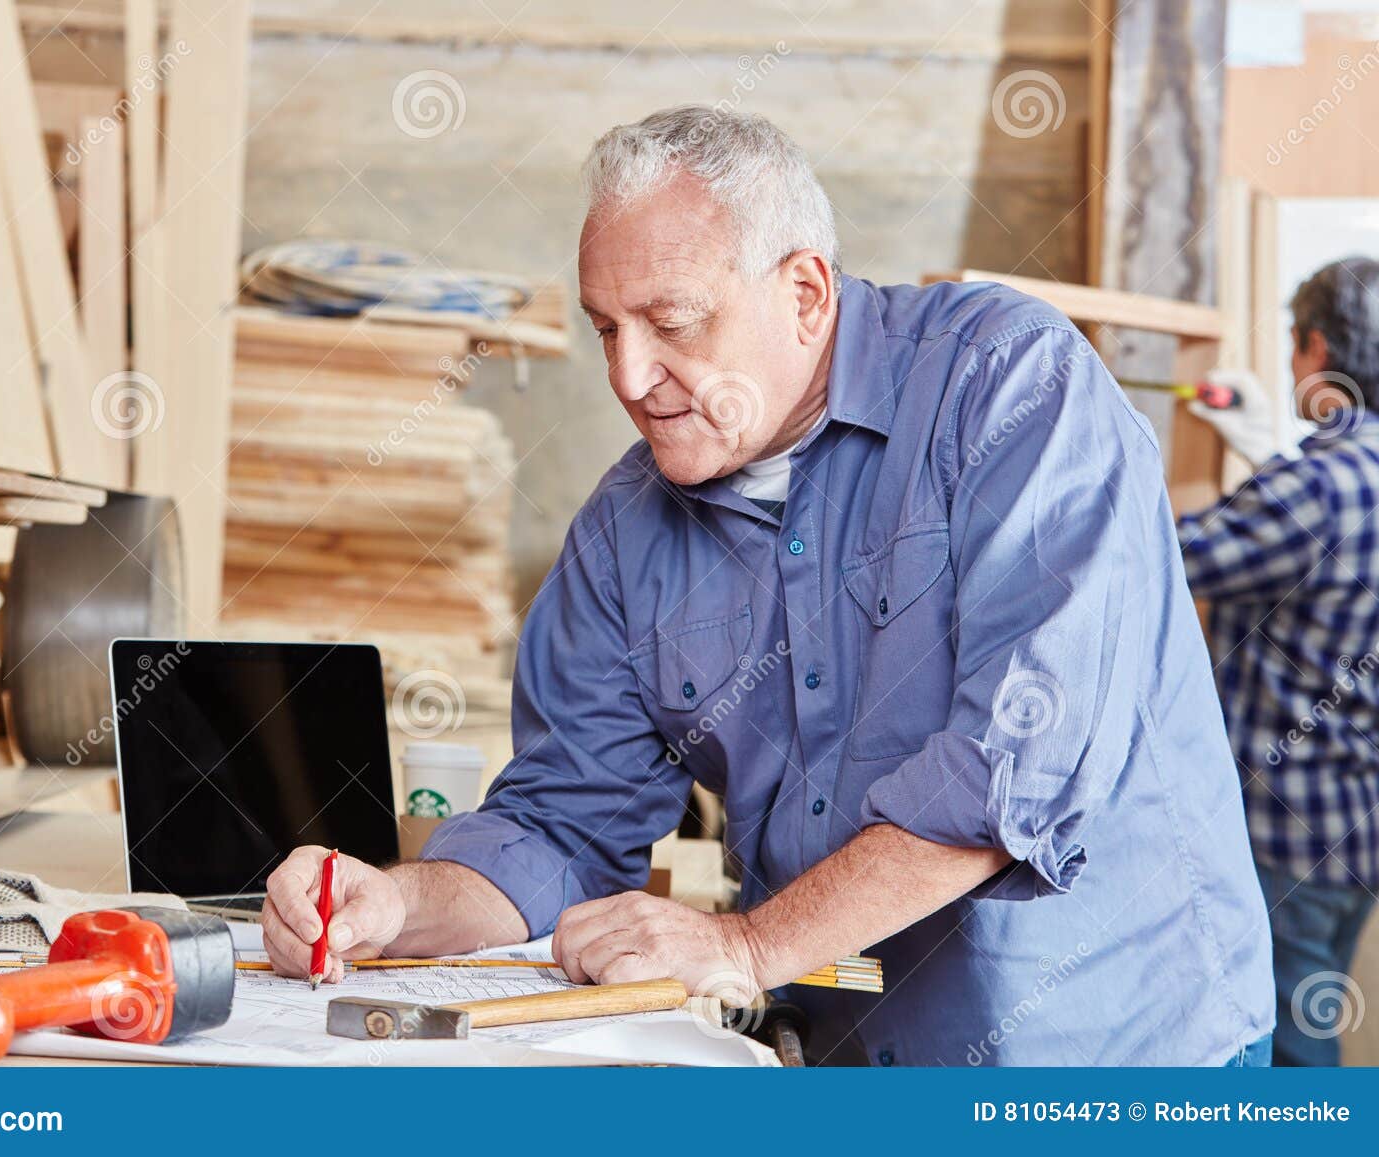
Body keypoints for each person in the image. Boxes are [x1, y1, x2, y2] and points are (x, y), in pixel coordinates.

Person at [263, 106, 1274, 1065]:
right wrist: (398, 903)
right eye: (606, 328)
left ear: (804, 293)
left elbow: (1014, 767)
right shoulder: (623, 534)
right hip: (850, 1054)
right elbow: (561, 826)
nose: (628, 376)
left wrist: (745, 945)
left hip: (1117, 1051)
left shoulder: (1007, 384)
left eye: (671, 322)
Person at [1179, 257, 1379, 1066]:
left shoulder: (1317, 486)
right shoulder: (1336, 482)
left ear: (1316, 347)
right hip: (1353, 826)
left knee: (1288, 1048)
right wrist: (1267, 455)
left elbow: (1167, 559)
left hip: (1281, 840)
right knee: (1308, 1018)